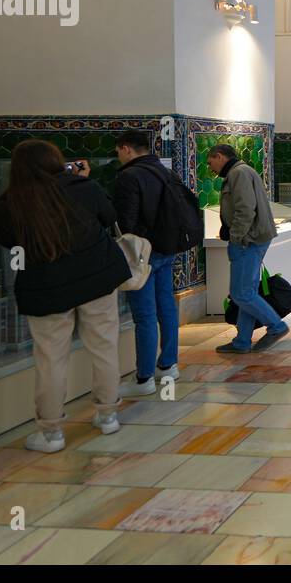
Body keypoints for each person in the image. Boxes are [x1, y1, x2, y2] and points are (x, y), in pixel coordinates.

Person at [0, 139, 130, 453]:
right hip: (96, 279)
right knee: (104, 346)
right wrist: (82, 181)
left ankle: (51, 432)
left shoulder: (9, 203)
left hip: (47, 287)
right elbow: (108, 217)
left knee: (51, 359)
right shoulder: (83, 188)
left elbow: (8, 241)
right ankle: (108, 415)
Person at [112, 130, 181, 398]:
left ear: (127, 148)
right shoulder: (164, 171)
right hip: (167, 248)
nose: (118, 156)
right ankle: (168, 364)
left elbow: (124, 222)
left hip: (143, 253)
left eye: (118, 151)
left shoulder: (128, 177)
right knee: (166, 307)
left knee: (145, 316)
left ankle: (144, 378)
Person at [209, 144, 290, 354]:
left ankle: (276, 326)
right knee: (247, 293)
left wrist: (236, 237)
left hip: (248, 240)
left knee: (241, 294)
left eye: (211, 162)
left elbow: (246, 209)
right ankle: (242, 341)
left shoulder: (238, 173)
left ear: (219, 156)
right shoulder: (241, 171)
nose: (211, 168)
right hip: (252, 238)